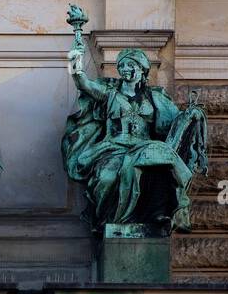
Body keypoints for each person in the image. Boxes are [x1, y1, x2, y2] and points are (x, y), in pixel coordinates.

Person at [63, 42, 207, 235]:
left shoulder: (154, 98)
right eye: (122, 65)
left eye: (131, 65)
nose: (125, 69)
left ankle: (158, 213)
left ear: (142, 69)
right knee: (106, 177)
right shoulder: (109, 94)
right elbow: (83, 83)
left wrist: (190, 115)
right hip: (113, 149)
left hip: (145, 147)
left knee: (160, 161)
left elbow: (174, 124)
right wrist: (75, 61)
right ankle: (107, 220)